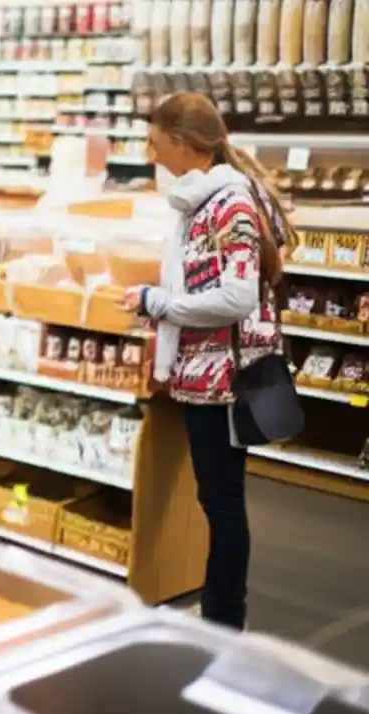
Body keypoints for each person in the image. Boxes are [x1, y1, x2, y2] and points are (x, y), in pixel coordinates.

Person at [122, 91, 292, 631]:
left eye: (154, 142)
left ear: (183, 143)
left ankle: (223, 621)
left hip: (225, 379)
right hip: (205, 372)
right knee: (216, 496)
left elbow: (238, 297)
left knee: (222, 501)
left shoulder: (230, 205)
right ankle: (221, 613)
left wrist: (159, 303)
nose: (149, 153)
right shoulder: (203, 199)